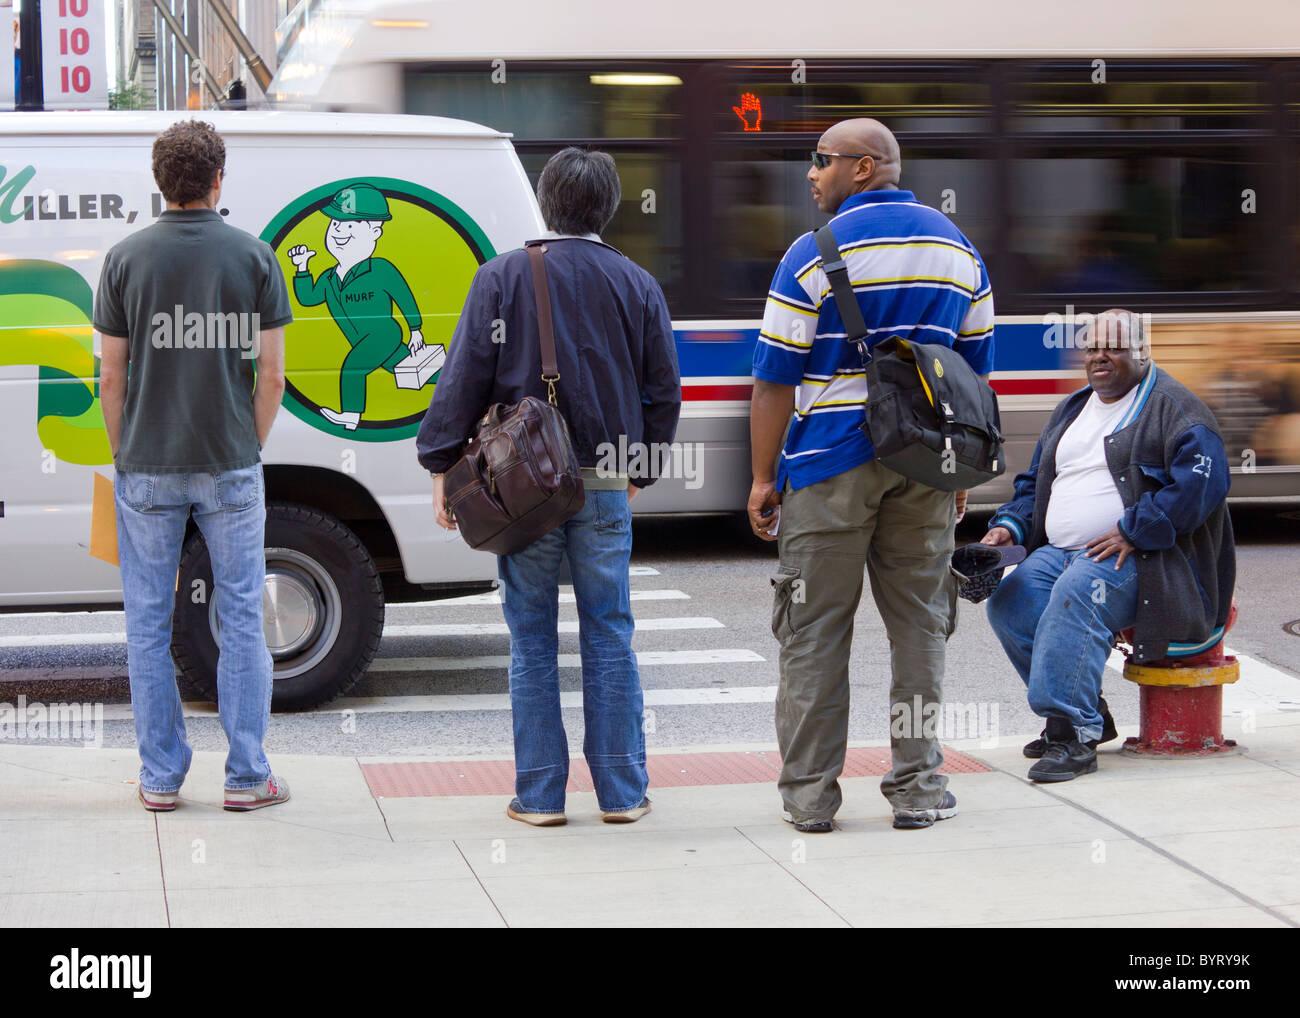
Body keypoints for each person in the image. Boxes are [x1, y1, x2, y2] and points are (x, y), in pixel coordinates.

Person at [416, 147, 680, 827]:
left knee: (531, 639)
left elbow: (465, 376)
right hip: (604, 483)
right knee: (610, 632)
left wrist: (443, 465)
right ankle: (623, 794)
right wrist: (638, 468)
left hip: (524, 490)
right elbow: (662, 391)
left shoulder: (501, 277)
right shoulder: (637, 283)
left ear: (545, 200)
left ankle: (539, 797)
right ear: (609, 207)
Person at [748, 118, 995, 832]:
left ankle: (810, 799)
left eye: (820, 161)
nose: (810, 174)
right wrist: (957, 477)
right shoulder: (960, 251)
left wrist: (764, 479)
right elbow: (974, 379)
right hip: (925, 465)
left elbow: (771, 379)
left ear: (862, 168)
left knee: (814, 632)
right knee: (919, 629)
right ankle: (918, 789)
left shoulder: (810, 254)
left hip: (829, 465)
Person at [94, 119, 292, 813]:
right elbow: (272, 377)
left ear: (160, 181)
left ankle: (159, 778)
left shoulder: (124, 260)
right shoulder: (255, 258)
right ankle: (246, 777)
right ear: (217, 179)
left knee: (147, 622)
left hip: (147, 463)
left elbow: (110, 380)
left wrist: (126, 455)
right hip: (230, 460)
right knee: (240, 615)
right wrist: (250, 445)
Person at [983, 309, 1235, 782]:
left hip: (1146, 558)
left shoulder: (1176, 409)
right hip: (1062, 551)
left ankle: (1075, 738)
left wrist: (1134, 530)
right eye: (1094, 347)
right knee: (1010, 600)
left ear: (1143, 352)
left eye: (1115, 347)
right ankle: (1079, 715)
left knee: (1078, 593)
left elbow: (1205, 484)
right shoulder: (1073, 408)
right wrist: (1009, 528)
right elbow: (1035, 483)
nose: (1101, 356)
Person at [287, 183, 429, 430]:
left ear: (375, 231)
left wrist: (415, 329)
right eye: (335, 224)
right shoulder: (330, 278)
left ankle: (351, 416)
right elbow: (308, 299)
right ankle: (460, 379)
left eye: (349, 224)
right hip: (363, 339)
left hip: (384, 333)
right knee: (413, 371)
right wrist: (302, 268)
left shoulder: (381, 268)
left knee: (354, 368)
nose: (339, 230)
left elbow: (405, 298)